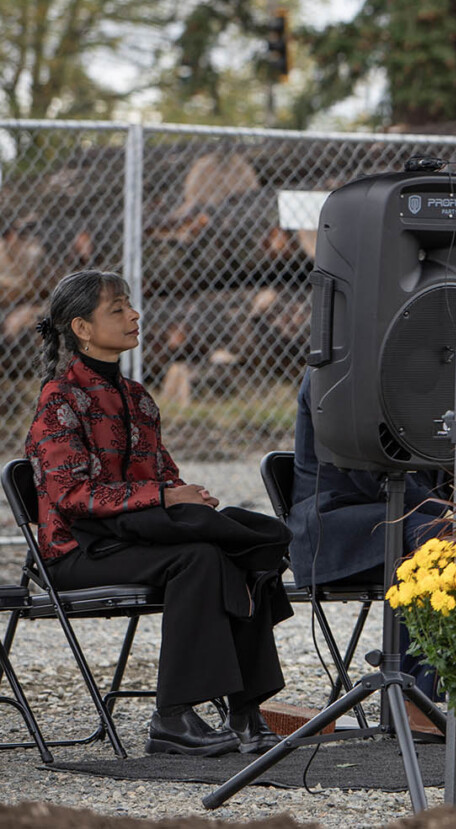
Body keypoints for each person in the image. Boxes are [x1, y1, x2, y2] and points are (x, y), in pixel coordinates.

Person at [25, 270, 291, 757]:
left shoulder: (138, 397)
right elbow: (71, 497)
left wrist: (188, 494)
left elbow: (162, 473)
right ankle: (173, 716)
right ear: (81, 328)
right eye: (118, 309)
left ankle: (245, 710)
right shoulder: (59, 400)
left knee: (241, 550)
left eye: (130, 305)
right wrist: (165, 498)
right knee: (198, 559)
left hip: (131, 539)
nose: (135, 315)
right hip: (74, 552)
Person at [288, 368, 448, 703]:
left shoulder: (419, 365)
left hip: (399, 514)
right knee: (434, 539)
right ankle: (416, 694)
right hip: (337, 520)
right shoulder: (336, 370)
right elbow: (367, 467)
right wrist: (445, 509)